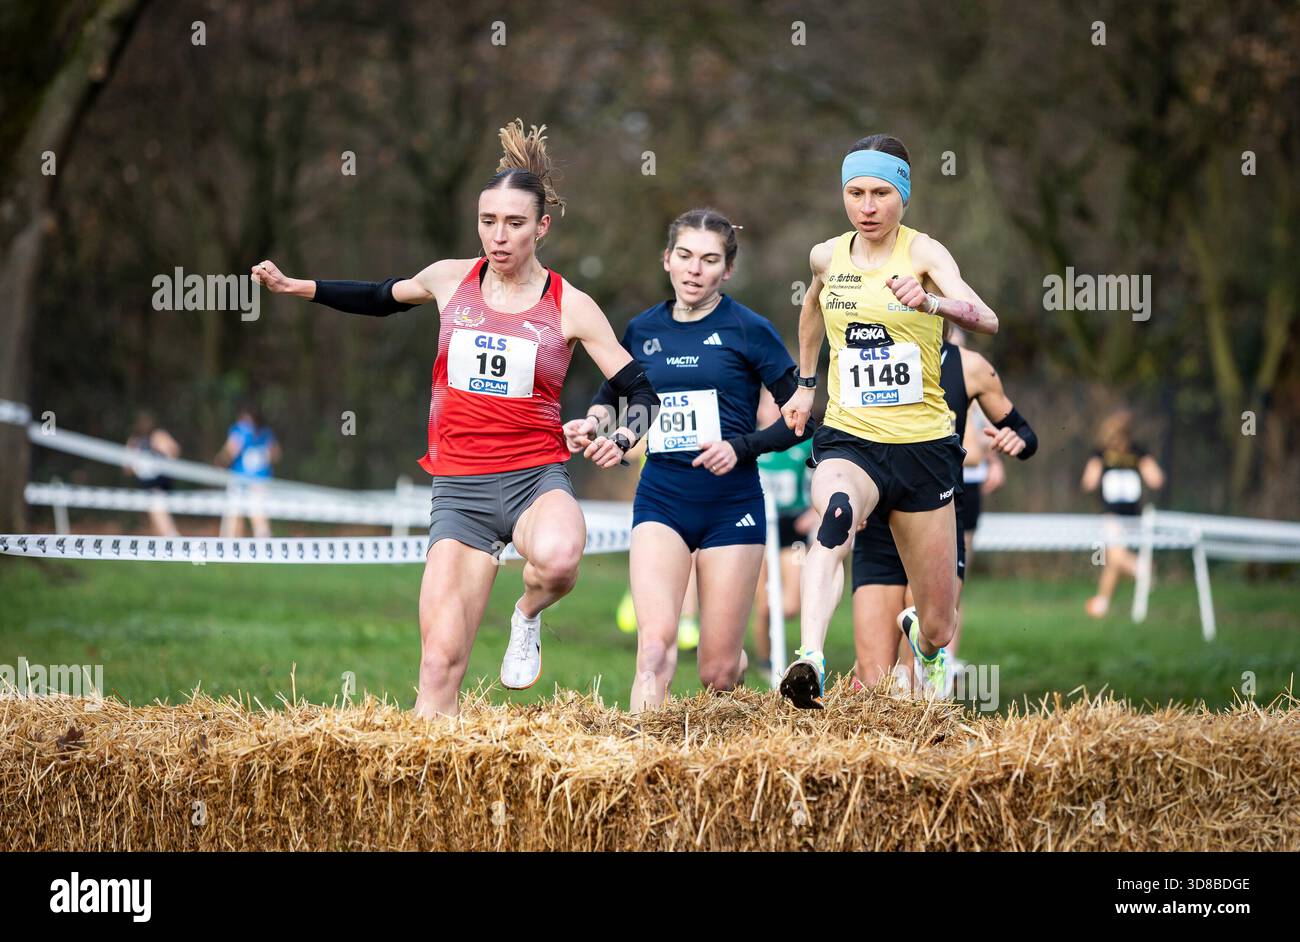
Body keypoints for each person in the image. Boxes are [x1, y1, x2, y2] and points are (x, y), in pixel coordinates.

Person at [252, 120, 656, 719]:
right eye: (488, 221)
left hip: (533, 479)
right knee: (439, 665)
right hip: (460, 492)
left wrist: (621, 436)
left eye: (515, 224)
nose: (499, 236)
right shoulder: (449, 279)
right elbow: (379, 296)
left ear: (542, 227)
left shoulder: (570, 304)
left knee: (561, 558)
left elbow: (642, 388)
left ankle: (526, 616)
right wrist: (298, 287)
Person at [781, 133, 1000, 709]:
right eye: (855, 193)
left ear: (903, 195)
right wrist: (806, 384)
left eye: (881, 192)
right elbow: (810, 310)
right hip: (851, 438)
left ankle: (923, 647)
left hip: (925, 447)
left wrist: (933, 304)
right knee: (833, 515)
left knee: (940, 623)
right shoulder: (826, 256)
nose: (867, 206)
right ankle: (809, 658)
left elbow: (987, 318)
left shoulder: (925, 254)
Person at [567, 208, 813, 712]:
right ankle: (640, 769)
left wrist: (741, 446)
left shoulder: (749, 329)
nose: (694, 270)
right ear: (667, 259)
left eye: (708, 260)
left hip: (732, 505)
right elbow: (614, 398)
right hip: (662, 498)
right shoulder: (641, 329)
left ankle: (739, 672)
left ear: (726, 270)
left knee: (717, 673)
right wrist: (596, 427)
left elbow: (800, 420)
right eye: (684, 256)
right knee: (654, 652)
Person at [850, 326, 1037, 695]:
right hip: (879, 526)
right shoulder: (867, 356)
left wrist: (1018, 440)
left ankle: (926, 740)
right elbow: (845, 434)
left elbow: (1024, 432)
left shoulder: (969, 367)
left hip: (937, 523)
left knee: (915, 672)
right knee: (874, 683)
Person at [751, 388, 840, 674]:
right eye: (765, 404)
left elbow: (823, 479)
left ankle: (783, 652)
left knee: (789, 605)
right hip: (759, 530)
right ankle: (767, 663)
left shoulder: (803, 445)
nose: (771, 410)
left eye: (776, 404)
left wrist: (813, 514)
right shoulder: (749, 443)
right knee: (763, 604)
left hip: (792, 530)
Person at [1080, 409, 1164, 617]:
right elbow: (1156, 479)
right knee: (1114, 556)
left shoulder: (1108, 453)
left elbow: (1088, 482)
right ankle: (1102, 604)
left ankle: (1140, 569)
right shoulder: (1131, 452)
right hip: (1120, 515)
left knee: (1114, 557)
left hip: (1121, 514)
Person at [214, 403, 281, 539]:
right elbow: (277, 454)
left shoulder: (244, 430)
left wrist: (219, 463)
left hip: (252, 481)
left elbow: (230, 450)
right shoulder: (265, 432)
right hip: (251, 480)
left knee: (240, 516)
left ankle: (233, 548)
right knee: (255, 516)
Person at [123, 411, 182, 537]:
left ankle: (174, 539)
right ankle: (161, 549)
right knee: (154, 520)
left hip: (160, 484)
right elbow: (127, 469)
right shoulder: (134, 441)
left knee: (158, 512)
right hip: (145, 486)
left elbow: (175, 453)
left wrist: (163, 450)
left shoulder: (159, 436)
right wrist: (134, 462)